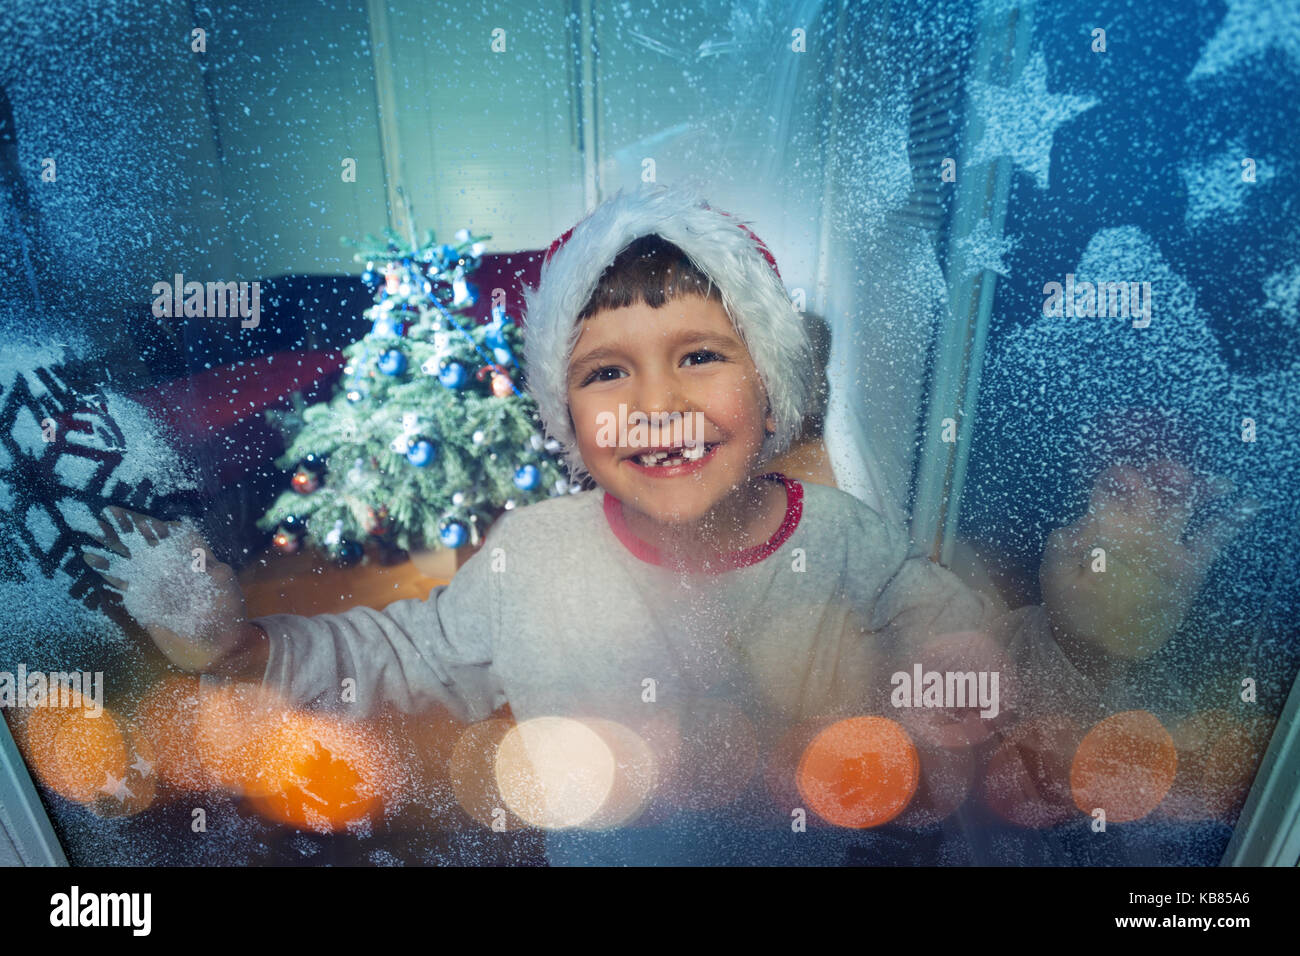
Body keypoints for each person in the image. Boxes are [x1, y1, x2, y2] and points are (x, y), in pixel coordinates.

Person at [84, 182, 1255, 864]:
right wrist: (242, 652)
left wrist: (1084, 640)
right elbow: (398, 653)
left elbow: (971, 688)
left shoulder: (850, 546)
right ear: (563, 409)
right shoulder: (533, 556)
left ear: (775, 389)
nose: (656, 406)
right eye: (606, 373)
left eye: (699, 354)